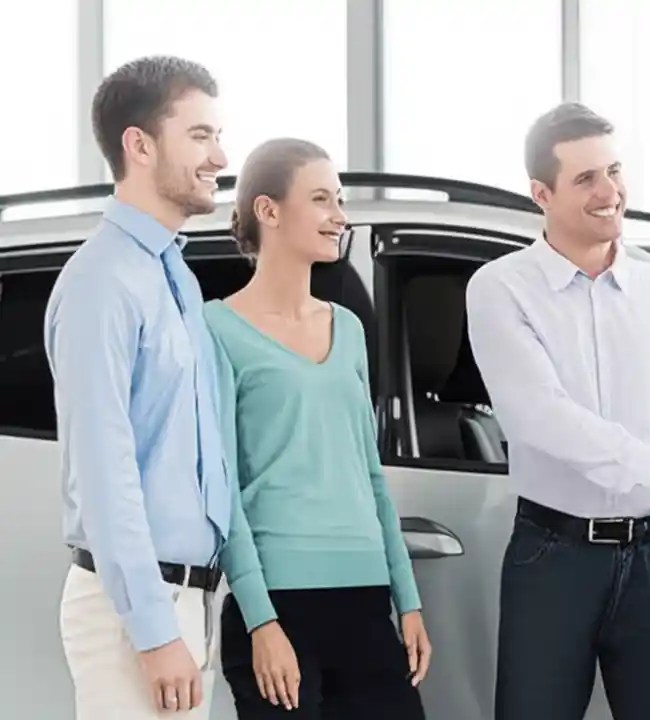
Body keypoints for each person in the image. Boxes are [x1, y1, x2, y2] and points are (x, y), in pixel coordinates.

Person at [465, 102, 650, 720]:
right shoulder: (499, 288)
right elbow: (540, 415)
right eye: (586, 178)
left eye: (615, 171)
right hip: (554, 559)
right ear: (542, 193)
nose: (610, 191)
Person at [205, 138, 429, 719]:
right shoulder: (215, 328)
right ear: (268, 210)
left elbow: (371, 477)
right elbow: (220, 488)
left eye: (340, 200)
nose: (340, 216)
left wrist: (407, 602)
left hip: (365, 604)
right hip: (280, 605)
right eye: (323, 199)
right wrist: (262, 621)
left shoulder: (349, 328)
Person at [45, 55, 232, 718]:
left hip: (189, 602)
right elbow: (105, 472)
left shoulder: (171, 274)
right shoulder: (104, 281)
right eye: (202, 135)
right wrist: (155, 632)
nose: (221, 155)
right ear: (140, 145)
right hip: (139, 612)